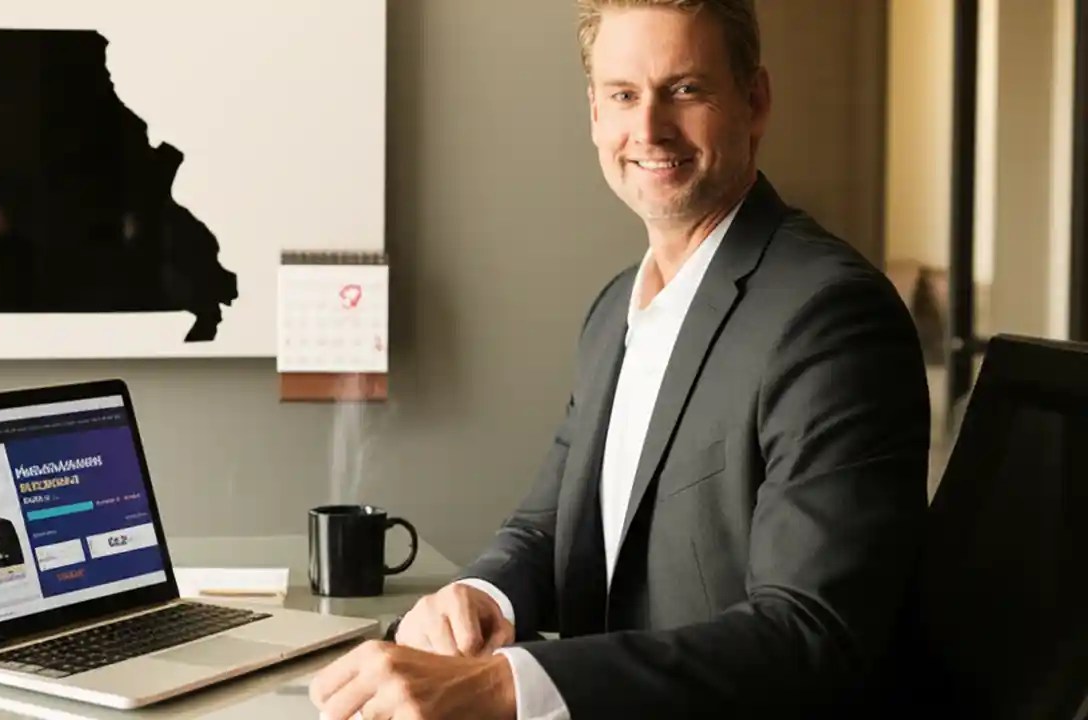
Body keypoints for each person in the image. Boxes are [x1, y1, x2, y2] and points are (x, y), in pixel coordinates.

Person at [309, 0, 930, 717]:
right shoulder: (614, 311)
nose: (650, 129)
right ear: (595, 113)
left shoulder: (830, 318)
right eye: (624, 95)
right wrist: (477, 596)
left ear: (755, 101)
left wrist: (506, 685)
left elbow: (811, 635)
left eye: (685, 89)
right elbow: (548, 526)